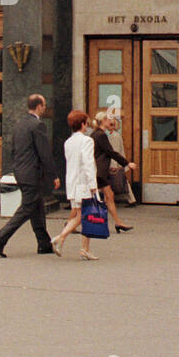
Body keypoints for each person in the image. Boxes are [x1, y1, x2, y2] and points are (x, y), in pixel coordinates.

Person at [0, 94, 58, 257]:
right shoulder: (38, 125)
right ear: (39, 106)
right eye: (44, 105)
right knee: (28, 207)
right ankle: (1, 237)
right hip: (32, 174)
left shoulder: (19, 124)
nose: (45, 108)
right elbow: (44, 153)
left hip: (21, 172)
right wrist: (53, 175)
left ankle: (44, 244)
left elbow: (13, 150)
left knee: (37, 207)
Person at [52, 110, 99, 260]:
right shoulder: (87, 141)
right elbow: (88, 163)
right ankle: (61, 238)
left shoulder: (68, 142)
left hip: (72, 183)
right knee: (85, 215)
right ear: (83, 124)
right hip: (84, 183)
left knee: (82, 215)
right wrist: (93, 183)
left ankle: (84, 248)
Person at [90, 113, 133, 232]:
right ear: (103, 121)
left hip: (98, 171)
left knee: (109, 196)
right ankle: (72, 221)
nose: (112, 122)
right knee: (93, 197)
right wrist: (127, 163)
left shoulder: (95, 134)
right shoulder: (101, 135)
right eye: (109, 120)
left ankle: (118, 222)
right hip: (99, 171)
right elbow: (110, 152)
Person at [103, 114, 137, 206]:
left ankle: (107, 200)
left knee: (112, 181)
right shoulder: (115, 135)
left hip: (116, 164)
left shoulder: (113, 136)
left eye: (111, 124)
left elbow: (115, 151)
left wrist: (113, 165)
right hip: (119, 163)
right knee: (123, 180)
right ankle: (131, 199)